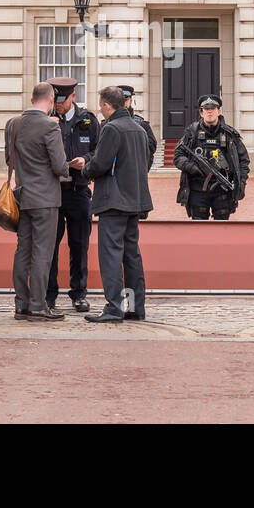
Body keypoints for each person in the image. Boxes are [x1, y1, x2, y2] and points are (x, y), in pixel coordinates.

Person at [83, 86, 153, 323]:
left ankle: (113, 308)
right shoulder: (139, 129)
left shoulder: (111, 128)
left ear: (106, 105)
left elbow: (100, 163)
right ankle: (135, 307)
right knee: (131, 255)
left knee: (111, 255)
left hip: (113, 201)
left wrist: (84, 169)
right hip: (135, 201)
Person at [5, 82, 68, 321]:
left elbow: (7, 158)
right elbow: (59, 165)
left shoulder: (14, 124)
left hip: (22, 194)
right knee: (43, 252)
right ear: (51, 100)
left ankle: (20, 304)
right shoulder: (50, 127)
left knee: (23, 250)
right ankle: (38, 305)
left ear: (33, 99)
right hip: (46, 198)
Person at [43, 77, 100, 313]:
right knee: (50, 246)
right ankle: (49, 295)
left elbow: (99, 149)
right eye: (55, 101)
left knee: (79, 245)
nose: (58, 105)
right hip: (53, 192)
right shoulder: (45, 121)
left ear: (73, 97)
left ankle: (79, 293)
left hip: (78, 190)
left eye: (62, 101)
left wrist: (85, 160)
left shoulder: (87, 120)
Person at [173, 94, 250, 220]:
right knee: (199, 229)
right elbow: (178, 156)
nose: (209, 112)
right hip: (198, 189)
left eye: (213, 109)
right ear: (201, 113)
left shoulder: (230, 134)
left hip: (222, 191)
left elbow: (244, 161)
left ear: (219, 111)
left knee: (222, 229)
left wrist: (241, 183)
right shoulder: (192, 133)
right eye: (206, 109)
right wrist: (192, 167)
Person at [117, 84, 158, 167]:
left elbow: (151, 148)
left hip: (136, 171)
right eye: (119, 100)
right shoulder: (106, 124)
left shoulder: (142, 124)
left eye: (125, 99)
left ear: (131, 100)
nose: (122, 103)